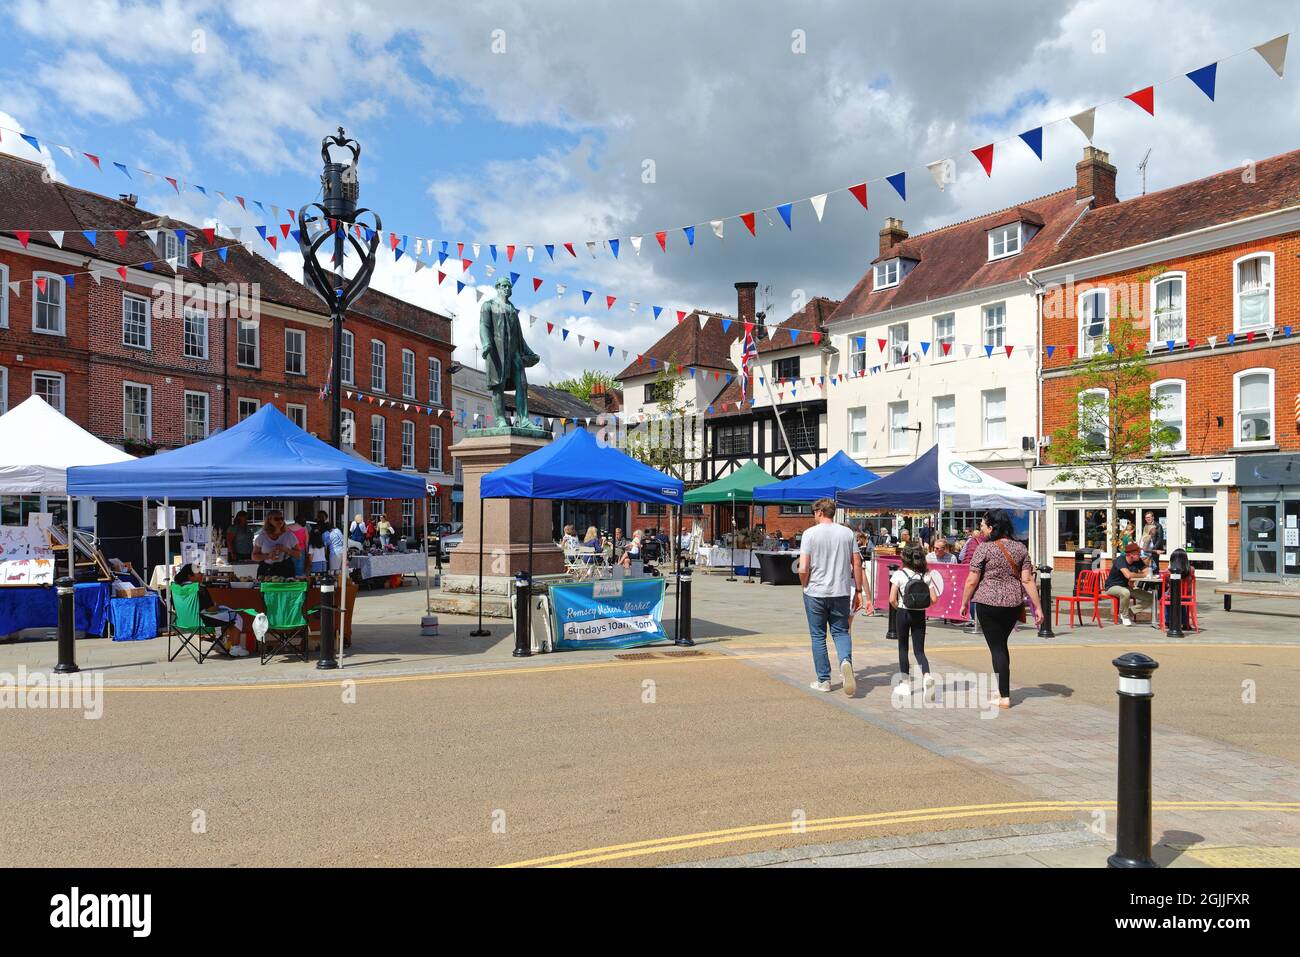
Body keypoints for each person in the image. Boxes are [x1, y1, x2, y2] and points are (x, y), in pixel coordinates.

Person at [958, 509, 1045, 710]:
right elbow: (1027, 579)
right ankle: (1001, 689)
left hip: (987, 603)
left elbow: (972, 580)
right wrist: (1038, 607)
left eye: (982, 525)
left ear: (992, 527)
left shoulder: (984, 549)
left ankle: (1004, 696)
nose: (980, 529)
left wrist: (964, 602)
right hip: (1013, 604)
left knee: (997, 648)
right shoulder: (1020, 549)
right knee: (1001, 646)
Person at [798, 498, 864, 696]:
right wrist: (859, 590)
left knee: (818, 636)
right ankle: (845, 661)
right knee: (841, 632)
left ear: (819, 512)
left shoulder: (809, 534)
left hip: (815, 591)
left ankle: (824, 680)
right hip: (841, 590)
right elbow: (857, 563)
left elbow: (803, 567)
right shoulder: (847, 533)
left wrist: (804, 584)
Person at [889, 541, 940, 701]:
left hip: (904, 612)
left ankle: (904, 684)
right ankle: (926, 677)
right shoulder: (926, 575)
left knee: (903, 648)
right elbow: (934, 599)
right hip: (920, 614)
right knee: (919, 650)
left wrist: (900, 607)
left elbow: (891, 599)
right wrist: (922, 604)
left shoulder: (899, 574)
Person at [173, 563, 250, 657]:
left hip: (183, 623)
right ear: (190, 576)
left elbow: (174, 608)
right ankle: (235, 648)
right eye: (199, 573)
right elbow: (210, 609)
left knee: (223, 616)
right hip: (201, 623)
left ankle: (220, 644)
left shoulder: (176, 589)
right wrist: (216, 606)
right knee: (235, 616)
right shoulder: (199, 588)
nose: (202, 574)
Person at [1105, 541, 1152, 626]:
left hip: (1127, 587)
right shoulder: (1120, 560)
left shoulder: (1138, 560)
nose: (1140, 555)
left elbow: (1147, 572)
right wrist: (1142, 575)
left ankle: (1129, 612)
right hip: (1112, 587)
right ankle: (1125, 616)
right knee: (1125, 592)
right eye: (1138, 553)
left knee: (1151, 598)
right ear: (1131, 554)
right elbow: (1128, 575)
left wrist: (1140, 575)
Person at [252, 511, 300, 579]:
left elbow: (298, 555)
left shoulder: (289, 535)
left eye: (282, 518)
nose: (280, 521)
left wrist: (286, 549)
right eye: (276, 519)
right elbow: (254, 556)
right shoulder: (262, 537)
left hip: (285, 570)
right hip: (266, 570)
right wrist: (268, 556)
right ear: (269, 520)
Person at [1166, 547, 1195, 630]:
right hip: (1187, 597)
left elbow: (1169, 585)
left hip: (1173, 596)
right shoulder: (1191, 570)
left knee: (1165, 597)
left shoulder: (1169, 571)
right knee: (1180, 601)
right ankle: (1185, 623)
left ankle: (1168, 621)